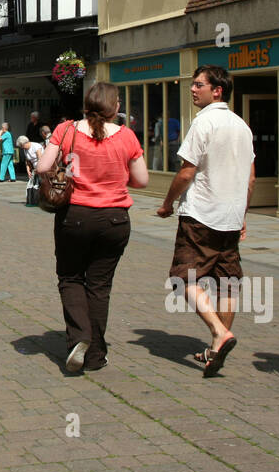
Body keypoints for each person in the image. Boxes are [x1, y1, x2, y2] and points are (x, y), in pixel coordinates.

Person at [38, 83, 148, 372]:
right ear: (114, 106)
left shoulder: (66, 130)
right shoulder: (127, 136)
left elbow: (42, 167)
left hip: (75, 215)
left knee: (71, 277)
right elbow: (142, 180)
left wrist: (69, 164)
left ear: (87, 103)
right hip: (115, 219)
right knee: (100, 286)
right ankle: (96, 355)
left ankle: (79, 337)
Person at [156, 65, 256, 378]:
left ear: (217, 90)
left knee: (184, 277)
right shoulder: (242, 126)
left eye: (199, 85)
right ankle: (217, 350)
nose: (192, 89)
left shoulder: (204, 123)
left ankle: (218, 332)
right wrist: (242, 213)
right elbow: (250, 177)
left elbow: (187, 171)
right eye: (192, 84)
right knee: (227, 282)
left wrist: (168, 203)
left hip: (201, 215)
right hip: (230, 217)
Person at [18, 134, 43, 207]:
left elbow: (40, 159)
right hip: (34, 168)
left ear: (24, 143)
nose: (21, 147)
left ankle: (38, 200)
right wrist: (28, 171)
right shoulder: (25, 150)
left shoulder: (36, 146)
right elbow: (27, 161)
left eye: (21, 146)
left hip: (42, 167)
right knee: (30, 184)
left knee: (38, 184)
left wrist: (37, 169)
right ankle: (30, 200)